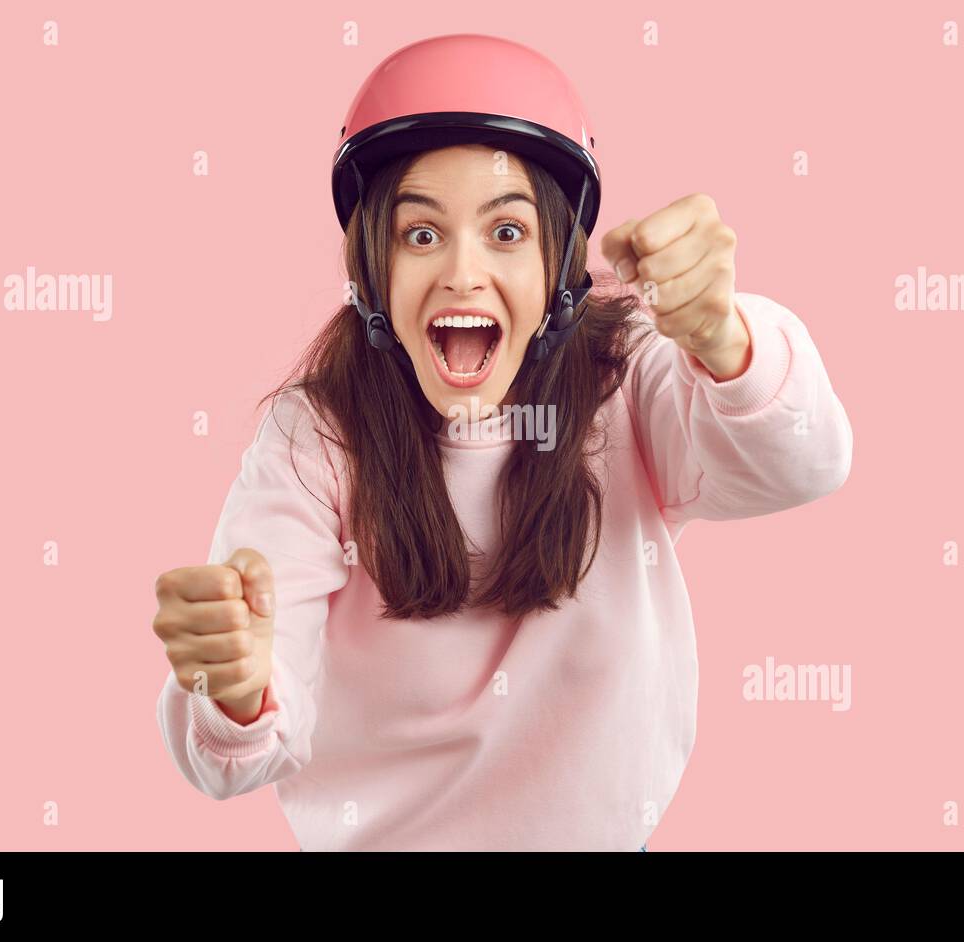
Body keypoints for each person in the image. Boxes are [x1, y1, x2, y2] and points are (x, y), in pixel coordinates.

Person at [151, 33, 853, 851]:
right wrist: (231, 687)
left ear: (561, 267)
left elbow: (803, 463)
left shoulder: (626, 382)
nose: (462, 273)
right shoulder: (317, 437)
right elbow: (237, 748)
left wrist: (721, 338)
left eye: (507, 232)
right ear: (371, 270)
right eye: (421, 235)